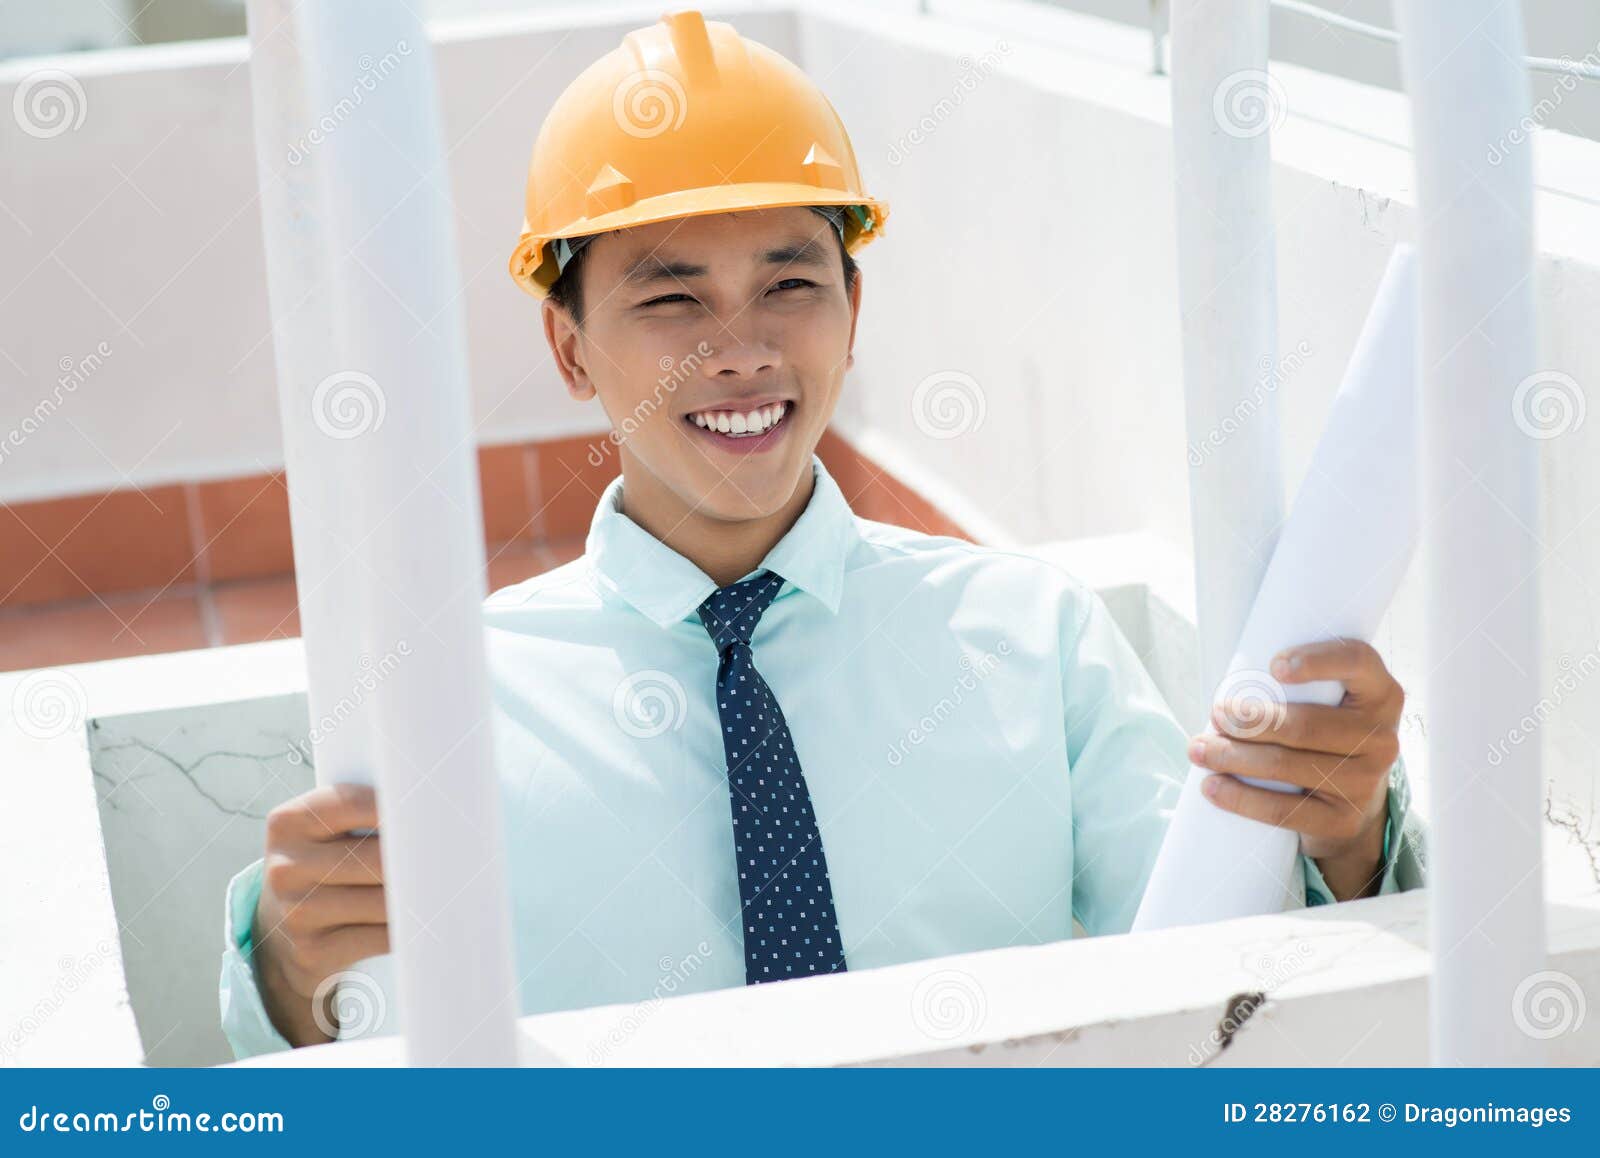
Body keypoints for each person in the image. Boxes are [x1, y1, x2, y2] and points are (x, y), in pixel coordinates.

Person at [218, 9, 1424, 1058]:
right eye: (670, 293)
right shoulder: (446, 708)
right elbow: (337, 1048)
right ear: (571, 346)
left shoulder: (1029, 638)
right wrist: (290, 969)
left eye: (790, 283)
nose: (740, 347)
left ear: (854, 310)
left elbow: (1211, 960)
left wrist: (1347, 837)